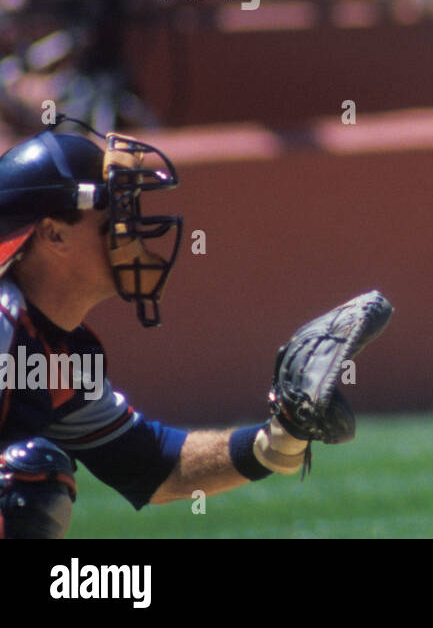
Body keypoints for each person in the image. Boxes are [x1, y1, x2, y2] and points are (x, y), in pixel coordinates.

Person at [0, 122, 315, 538]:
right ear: (53, 233)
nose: (129, 231)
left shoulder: (63, 352)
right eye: (112, 214)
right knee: (27, 477)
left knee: (33, 473)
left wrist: (277, 440)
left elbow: (150, 464)